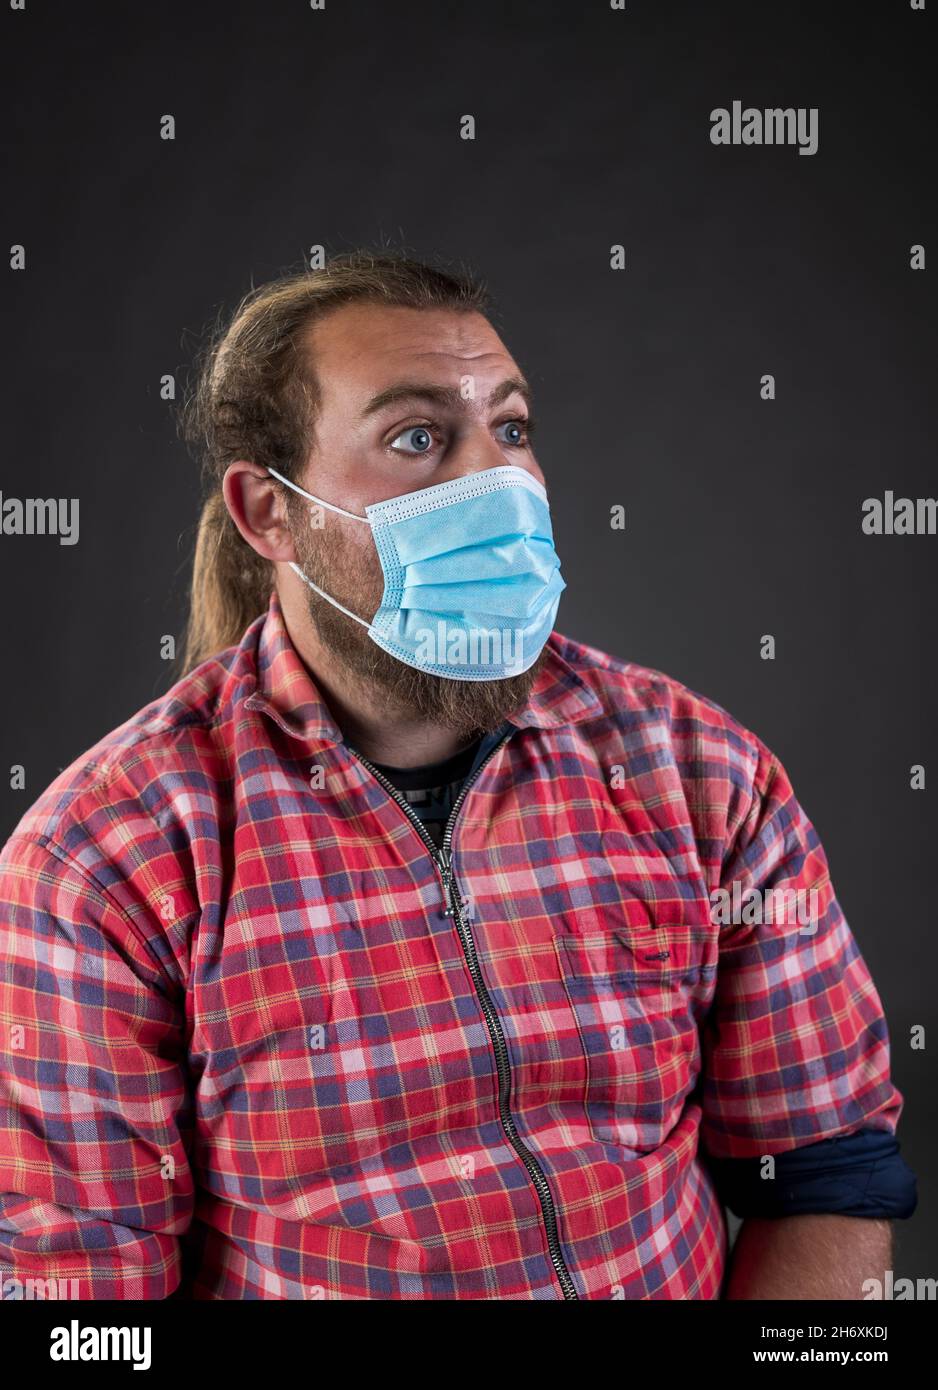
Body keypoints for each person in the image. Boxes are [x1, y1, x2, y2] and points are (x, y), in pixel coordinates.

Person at [0, 252, 916, 1300]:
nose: (499, 482)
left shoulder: (699, 773)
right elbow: (81, 1299)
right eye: (418, 437)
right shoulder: (105, 863)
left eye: (511, 429)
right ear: (268, 513)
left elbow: (823, 1171)